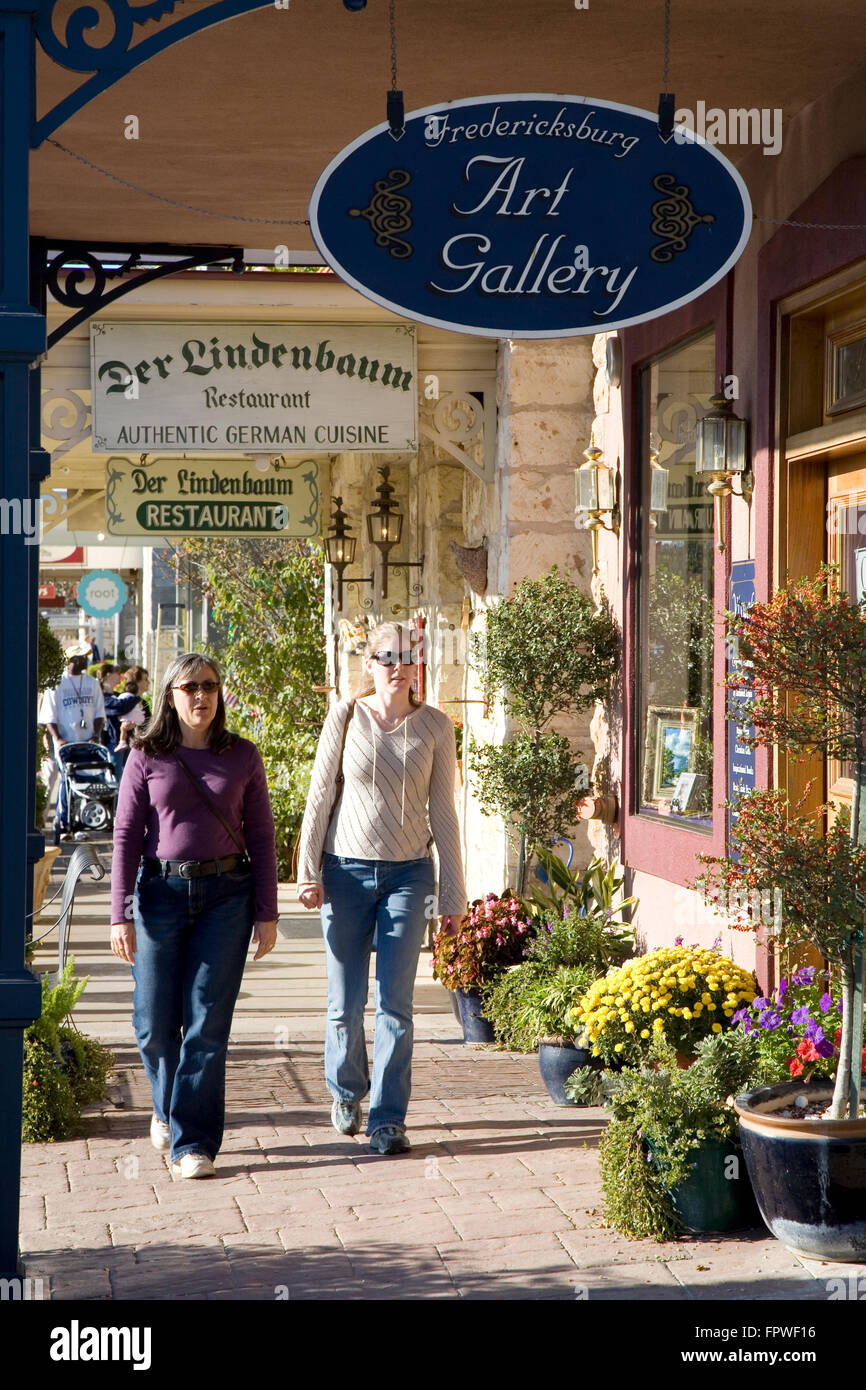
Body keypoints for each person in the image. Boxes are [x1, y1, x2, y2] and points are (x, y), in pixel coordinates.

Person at [296, 621, 466, 1156]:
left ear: (419, 666)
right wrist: (308, 871)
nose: (397, 666)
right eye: (385, 657)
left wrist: (454, 900)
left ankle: (388, 1119)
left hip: (409, 874)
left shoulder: (436, 727)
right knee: (343, 1002)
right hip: (344, 872)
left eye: (407, 657)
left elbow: (444, 813)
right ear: (369, 665)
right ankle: (347, 1089)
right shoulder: (345, 716)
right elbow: (320, 795)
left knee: (394, 1004)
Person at [109, 653, 279, 1179]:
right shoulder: (144, 756)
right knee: (154, 1023)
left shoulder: (242, 756)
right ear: (170, 695)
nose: (201, 695)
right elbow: (125, 838)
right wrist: (120, 912)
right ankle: (165, 1107)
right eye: (190, 687)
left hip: (227, 896)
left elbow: (262, 837)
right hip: (160, 894)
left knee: (206, 1023)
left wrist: (267, 911)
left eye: (209, 686)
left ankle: (194, 1144)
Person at [39, 642, 106, 839]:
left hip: (86, 742)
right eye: (80, 657)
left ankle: (77, 824)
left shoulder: (92, 683)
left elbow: (99, 711)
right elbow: (49, 715)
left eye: (85, 657)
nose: (85, 660)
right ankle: (63, 821)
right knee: (66, 780)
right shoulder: (57, 683)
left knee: (82, 782)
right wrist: (58, 738)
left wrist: (95, 734)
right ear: (70, 660)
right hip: (66, 743)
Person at [111, 667, 151, 779]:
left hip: (137, 747)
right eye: (145, 679)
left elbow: (148, 724)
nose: (148, 682)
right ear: (137, 682)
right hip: (120, 747)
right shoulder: (124, 700)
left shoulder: (144, 703)